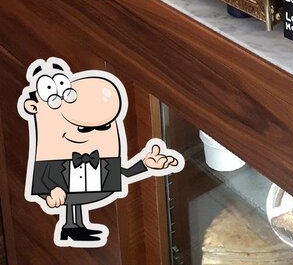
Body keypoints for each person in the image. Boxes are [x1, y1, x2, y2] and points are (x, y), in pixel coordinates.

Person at [18, 57, 183, 247]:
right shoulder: (50, 157)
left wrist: (145, 165)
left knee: (76, 200)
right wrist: (51, 191)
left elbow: (122, 173)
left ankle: (74, 227)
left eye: (103, 127)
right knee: (72, 199)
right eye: (84, 128)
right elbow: (43, 178)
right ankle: (71, 227)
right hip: (62, 204)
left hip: (90, 190)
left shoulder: (99, 158)